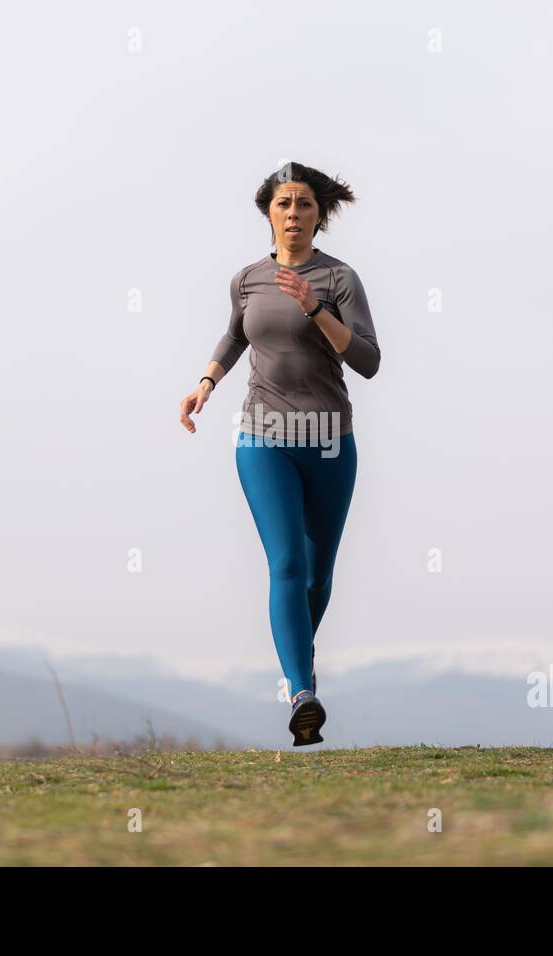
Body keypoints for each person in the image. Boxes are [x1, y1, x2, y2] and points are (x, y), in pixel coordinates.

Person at [178, 162, 381, 747]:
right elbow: (237, 334)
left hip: (328, 442)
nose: (294, 214)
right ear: (268, 212)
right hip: (262, 439)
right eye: (284, 204)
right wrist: (207, 381)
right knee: (287, 563)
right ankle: (301, 691)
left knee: (318, 579)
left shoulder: (340, 279)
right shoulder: (247, 279)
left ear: (321, 216)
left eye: (305, 205)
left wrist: (317, 309)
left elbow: (367, 362)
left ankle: (302, 676)